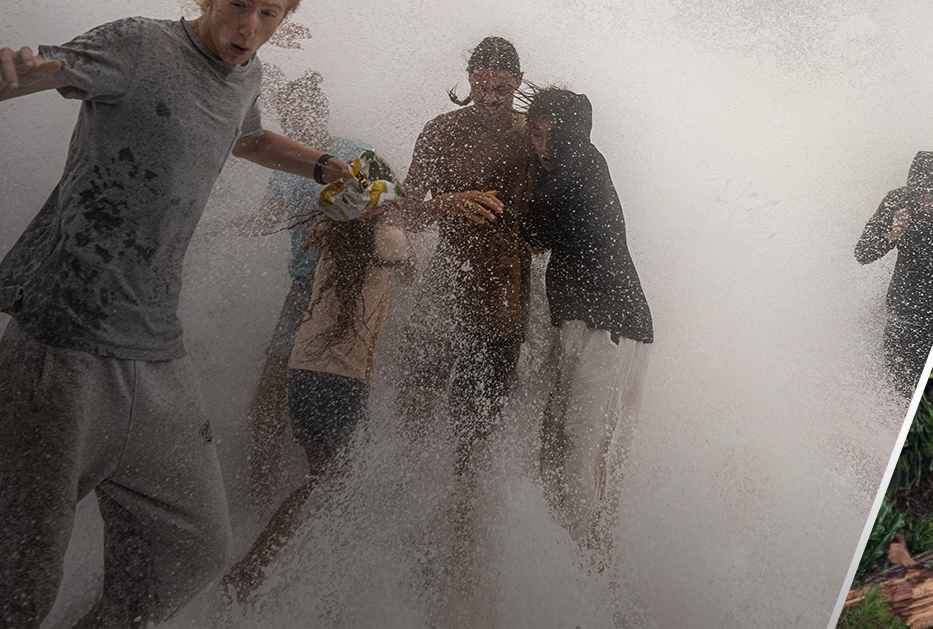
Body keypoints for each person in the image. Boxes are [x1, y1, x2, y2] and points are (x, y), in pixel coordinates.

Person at [0, 0, 339, 629]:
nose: (249, 29)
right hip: (61, 343)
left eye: (269, 15)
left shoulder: (244, 74)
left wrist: (328, 164)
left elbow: (247, 139)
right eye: (238, 7)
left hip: (153, 354)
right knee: (2, 579)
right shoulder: (137, 47)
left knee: (194, 548)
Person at [221, 156, 414, 601]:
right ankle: (255, 570)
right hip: (341, 378)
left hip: (303, 372)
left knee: (327, 477)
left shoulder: (331, 233)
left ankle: (287, 574)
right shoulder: (389, 241)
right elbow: (410, 266)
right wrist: (397, 211)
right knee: (329, 481)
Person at [517, 86, 653, 565]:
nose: (539, 147)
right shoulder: (582, 164)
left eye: (546, 135)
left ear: (570, 135)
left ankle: (582, 570)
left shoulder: (579, 164)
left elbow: (533, 231)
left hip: (609, 326)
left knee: (579, 443)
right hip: (598, 323)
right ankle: (566, 562)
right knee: (562, 440)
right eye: (534, 135)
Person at [398, 36, 536, 472]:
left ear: (518, 81)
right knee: (415, 399)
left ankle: (463, 516)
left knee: (477, 425)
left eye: (501, 90)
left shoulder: (533, 135)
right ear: (469, 81)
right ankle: (404, 487)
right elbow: (407, 213)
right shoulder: (441, 131)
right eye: (481, 88)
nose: (490, 99)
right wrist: (449, 203)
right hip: (448, 279)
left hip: (507, 293)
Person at [235, 71, 374, 504]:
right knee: (270, 394)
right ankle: (259, 497)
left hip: (342, 284)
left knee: (327, 389)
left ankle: (334, 494)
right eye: (290, 115)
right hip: (302, 286)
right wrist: (214, 230)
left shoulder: (351, 152)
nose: (298, 122)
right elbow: (265, 219)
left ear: (321, 110)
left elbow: (387, 203)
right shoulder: (287, 163)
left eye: (305, 112)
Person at [853, 152, 933, 397]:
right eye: (919, 194)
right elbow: (863, 253)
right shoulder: (898, 202)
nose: (926, 200)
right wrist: (893, 234)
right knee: (902, 389)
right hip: (904, 314)